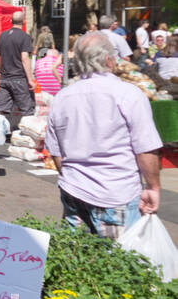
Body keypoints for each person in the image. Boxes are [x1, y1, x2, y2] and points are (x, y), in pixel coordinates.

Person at [44, 32, 162, 237]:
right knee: (118, 263)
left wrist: (74, 177)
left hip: (74, 190)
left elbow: (56, 153)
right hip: (116, 193)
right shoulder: (129, 94)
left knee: (76, 261)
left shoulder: (61, 98)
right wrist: (153, 187)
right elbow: (145, 148)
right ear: (109, 59)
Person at [0, 11, 35, 131]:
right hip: (19, 79)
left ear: (11, 21)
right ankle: (26, 136)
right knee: (26, 110)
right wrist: (30, 79)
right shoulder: (25, 37)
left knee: (1, 109)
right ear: (23, 22)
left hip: (5, 78)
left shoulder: (2, 36)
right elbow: (24, 58)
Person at [33, 28, 64, 96]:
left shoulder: (41, 35)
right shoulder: (50, 35)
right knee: (50, 61)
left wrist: (35, 50)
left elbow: (38, 43)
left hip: (42, 50)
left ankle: (42, 71)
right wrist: (53, 49)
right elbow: (52, 43)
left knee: (43, 62)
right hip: (49, 49)